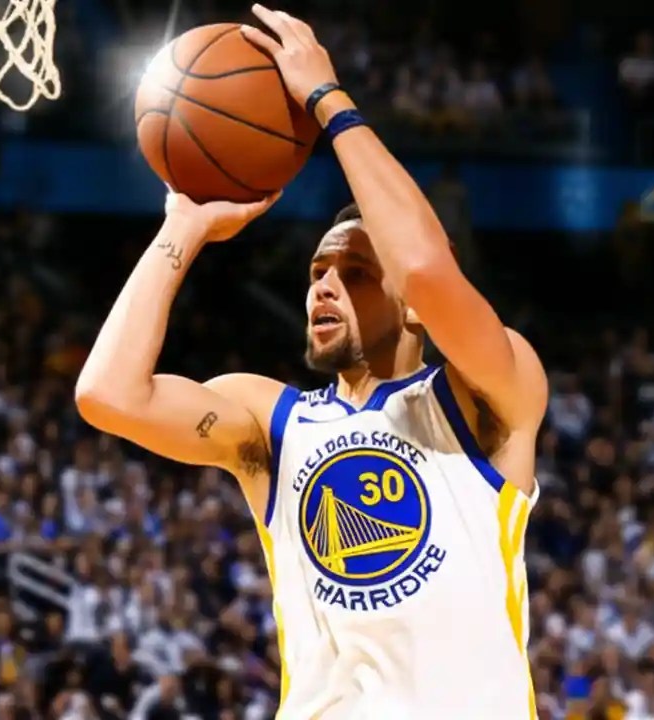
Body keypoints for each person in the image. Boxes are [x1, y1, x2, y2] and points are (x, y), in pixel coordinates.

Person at [75, 5, 546, 718]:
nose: (323, 284)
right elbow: (107, 393)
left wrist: (330, 104)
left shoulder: (487, 391)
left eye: (354, 271)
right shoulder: (272, 420)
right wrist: (184, 227)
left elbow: (424, 267)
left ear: (412, 308)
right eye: (316, 271)